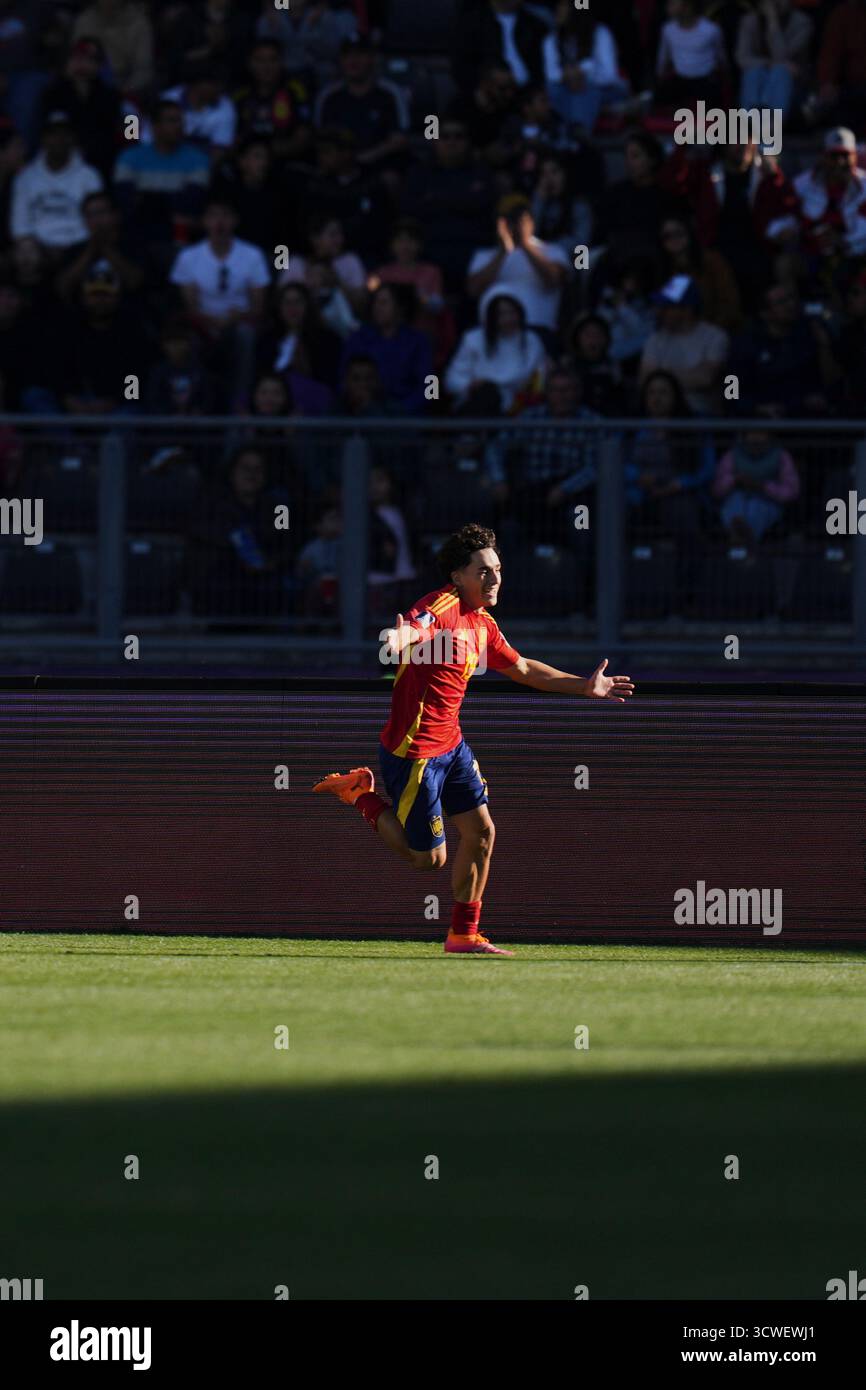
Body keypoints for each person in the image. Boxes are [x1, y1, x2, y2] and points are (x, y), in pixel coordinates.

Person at [312, 521, 634, 956]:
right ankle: (360, 794)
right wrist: (399, 637)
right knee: (428, 859)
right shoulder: (441, 605)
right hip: (415, 754)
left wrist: (583, 686)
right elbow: (413, 628)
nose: (495, 578)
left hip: (452, 746)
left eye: (498, 569)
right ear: (457, 577)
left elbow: (521, 668)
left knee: (482, 832)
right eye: (483, 571)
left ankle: (463, 935)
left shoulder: (482, 622)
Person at [169, 196, 271, 409]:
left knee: (246, 334)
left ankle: (240, 403)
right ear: (204, 221)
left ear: (235, 221)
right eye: (213, 215)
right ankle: (194, 405)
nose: (219, 222)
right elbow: (190, 307)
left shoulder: (252, 255)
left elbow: (258, 307)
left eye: (225, 215)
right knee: (187, 338)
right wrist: (211, 322)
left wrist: (235, 318)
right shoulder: (189, 256)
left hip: (239, 324)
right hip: (203, 326)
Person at [467, 194, 569, 338]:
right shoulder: (484, 256)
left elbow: (554, 280)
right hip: (492, 335)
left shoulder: (553, 251)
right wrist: (504, 251)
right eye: (509, 219)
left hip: (538, 331)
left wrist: (525, 244)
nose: (515, 224)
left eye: (520, 218)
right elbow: (473, 290)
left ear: (532, 221)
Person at [314, 35, 409, 174]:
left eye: (360, 54)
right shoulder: (328, 97)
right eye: (348, 55)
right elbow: (320, 138)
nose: (353, 60)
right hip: (336, 168)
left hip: (377, 167)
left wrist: (364, 158)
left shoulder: (391, 94)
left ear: (372, 58)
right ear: (340, 60)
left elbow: (400, 140)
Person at [10, 110, 102, 254]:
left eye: (64, 134)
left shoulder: (89, 175)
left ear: (72, 138)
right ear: (43, 139)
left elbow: (97, 223)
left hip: (79, 248)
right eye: (53, 134)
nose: (59, 139)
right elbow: (20, 227)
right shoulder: (25, 178)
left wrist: (72, 248)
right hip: (38, 250)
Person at [445, 286, 547, 414]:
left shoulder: (531, 339)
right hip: (481, 403)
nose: (509, 319)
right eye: (502, 314)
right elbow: (452, 380)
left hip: (521, 406)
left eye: (512, 312)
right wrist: (471, 385)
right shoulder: (473, 339)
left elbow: (540, 375)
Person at [639, 274, 729, 415]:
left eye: (667, 307)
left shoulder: (715, 337)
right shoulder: (655, 339)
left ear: (687, 310)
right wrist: (688, 375)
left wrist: (663, 376)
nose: (660, 312)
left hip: (701, 417)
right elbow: (646, 380)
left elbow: (705, 379)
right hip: (661, 416)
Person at [339, 283, 432, 415]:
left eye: (384, 303)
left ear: (400, 308)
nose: (377, 307)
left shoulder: (419, 342)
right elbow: (343, 378)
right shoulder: (357, 338)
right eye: (375, 302)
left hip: (405, 415)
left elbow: (430, 387)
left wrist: (401, 410)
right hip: (359, 410)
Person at [543, 2, 629, 133]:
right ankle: (562, 134)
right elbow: (551, 75)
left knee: (584, 89)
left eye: (563, 6)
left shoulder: (600, 33)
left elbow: (609, 76)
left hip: (608, 90)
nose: (558, 10)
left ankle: (579, 134)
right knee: (554, 89)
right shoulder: (551, 39)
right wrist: (569, 76)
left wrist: (582, 73)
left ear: (576, 10)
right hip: (568, 87)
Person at [712, 428, 801, 546]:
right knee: (736, 504)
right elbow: (717, 489)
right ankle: (739, 533)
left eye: (761, 433)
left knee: (756, 508)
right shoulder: (732, 455)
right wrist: (735, 480)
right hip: (736, 497)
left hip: (767, 500)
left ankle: (745, 540)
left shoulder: (781, 456)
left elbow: (792, 491)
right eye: (752, 433)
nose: (756, 438)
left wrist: (763, 486)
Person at [794, 127, 866, 263]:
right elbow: (789, 220)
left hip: (854, 257)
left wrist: (842, 241)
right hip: (811, 256)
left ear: (855, 157)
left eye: (845, 156)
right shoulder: (802, 185)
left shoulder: (864, 187)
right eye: (834, 156)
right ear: (824, 157)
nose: (839, 162)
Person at [735, 0, 812, 120]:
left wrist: (773, 23)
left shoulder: (802, 23)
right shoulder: (749, 21)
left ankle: (773, 122)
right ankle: (750, 120)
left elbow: (781, 55)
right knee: (754, 72)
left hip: (792, 84)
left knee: (780, 72)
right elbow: (742, 58)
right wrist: (769, 63)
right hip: (761, 78)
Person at [655, 0, 727, 110]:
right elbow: (663, 58)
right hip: (680, 78)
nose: (668, 7)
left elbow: (721, 57)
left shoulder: (711, 29)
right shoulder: (668, 29)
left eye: (673, 3)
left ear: (687, 6)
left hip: (705, 79)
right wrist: (660, 77)